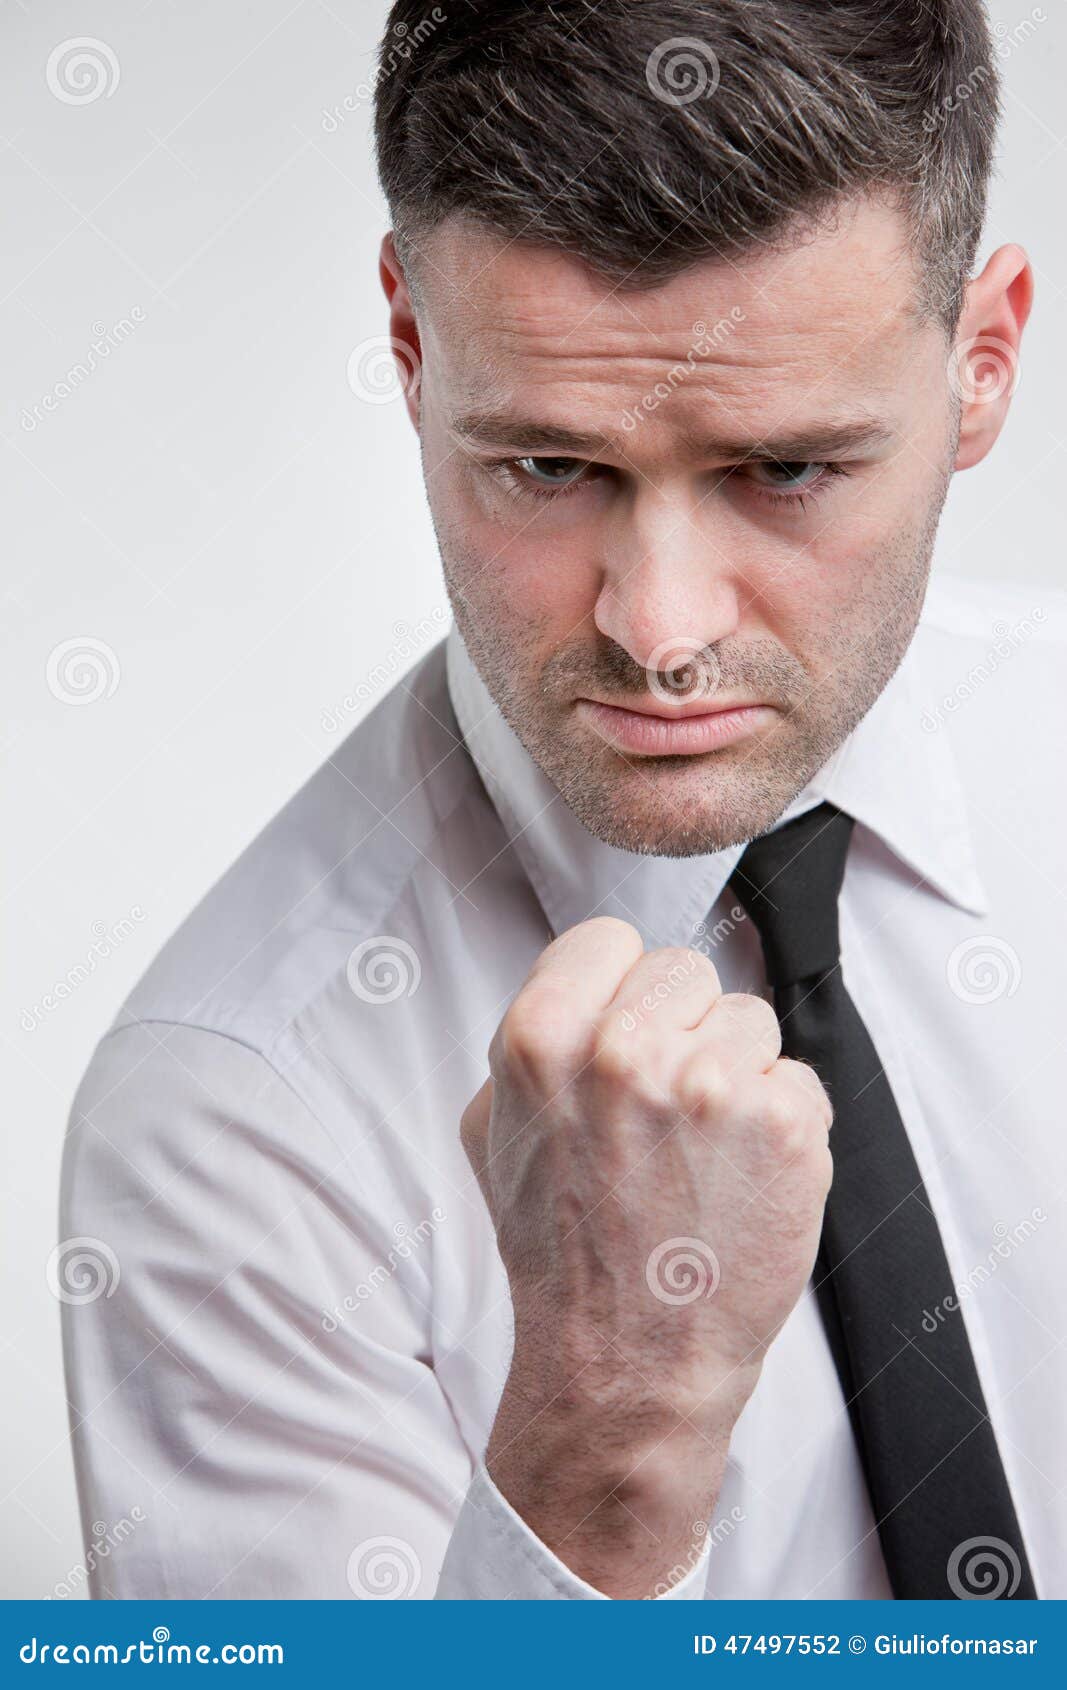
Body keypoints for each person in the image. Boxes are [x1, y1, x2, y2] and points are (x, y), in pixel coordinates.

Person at [60, 0, 1064, 1601]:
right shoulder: (231, 1127)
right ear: (408, 345)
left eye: (784, 470)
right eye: (548, 467)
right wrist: (605, 1439)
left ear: (985, 361)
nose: (659, 635)